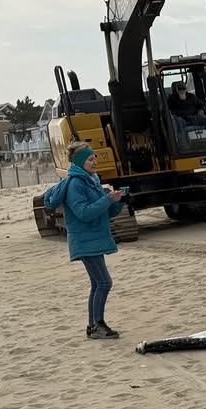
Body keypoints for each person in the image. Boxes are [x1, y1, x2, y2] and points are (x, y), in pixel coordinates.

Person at [42, 143, 127, 339]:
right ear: (80, 162)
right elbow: (84, 213)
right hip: (84, 240)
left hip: (94, 238)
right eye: (90, 159)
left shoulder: (92, 181)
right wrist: (107, 200)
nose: (95, 161)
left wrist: (117, 199)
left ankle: (93, 325)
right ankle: (97, 325)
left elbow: (105, 211)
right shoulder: (75, 184)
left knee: (98, 283)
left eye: (94, 158)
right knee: (104, 282)